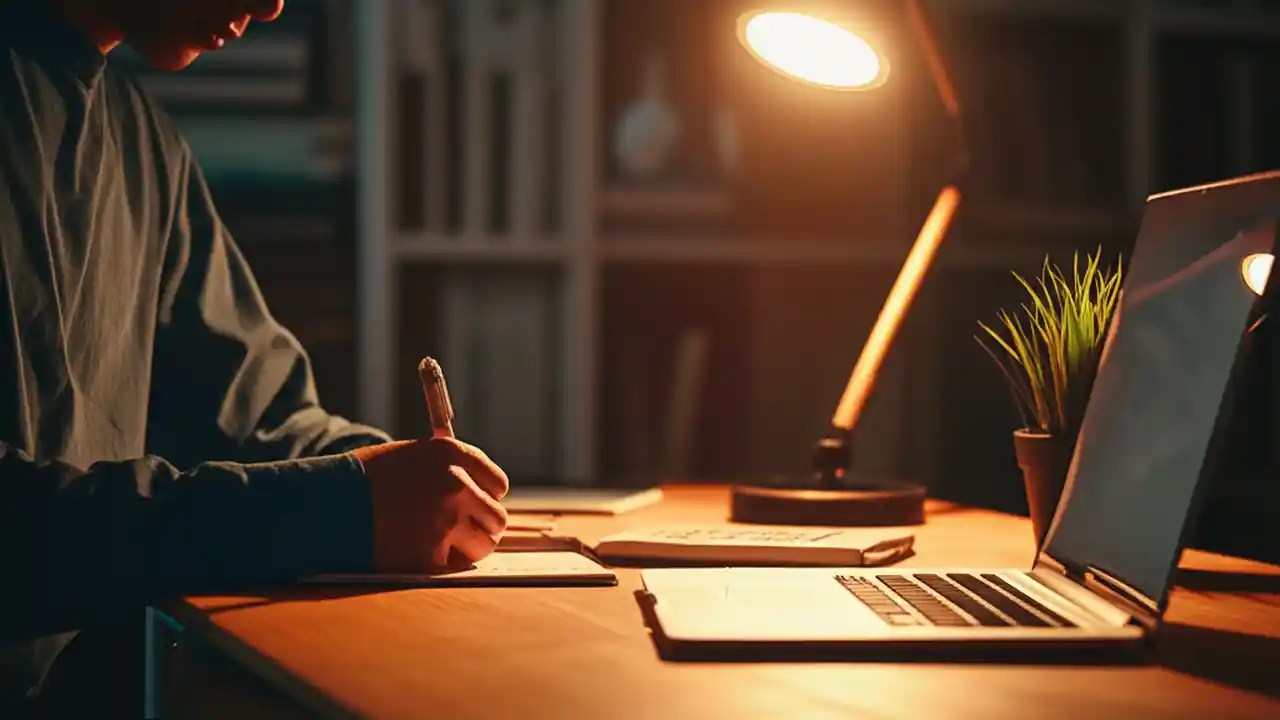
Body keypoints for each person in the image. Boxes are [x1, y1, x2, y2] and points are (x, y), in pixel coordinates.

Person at [0, 0, 510, 714]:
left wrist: (416, 484)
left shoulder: (140, 139)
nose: (272, 5)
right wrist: (343, 509)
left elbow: (259, 418)